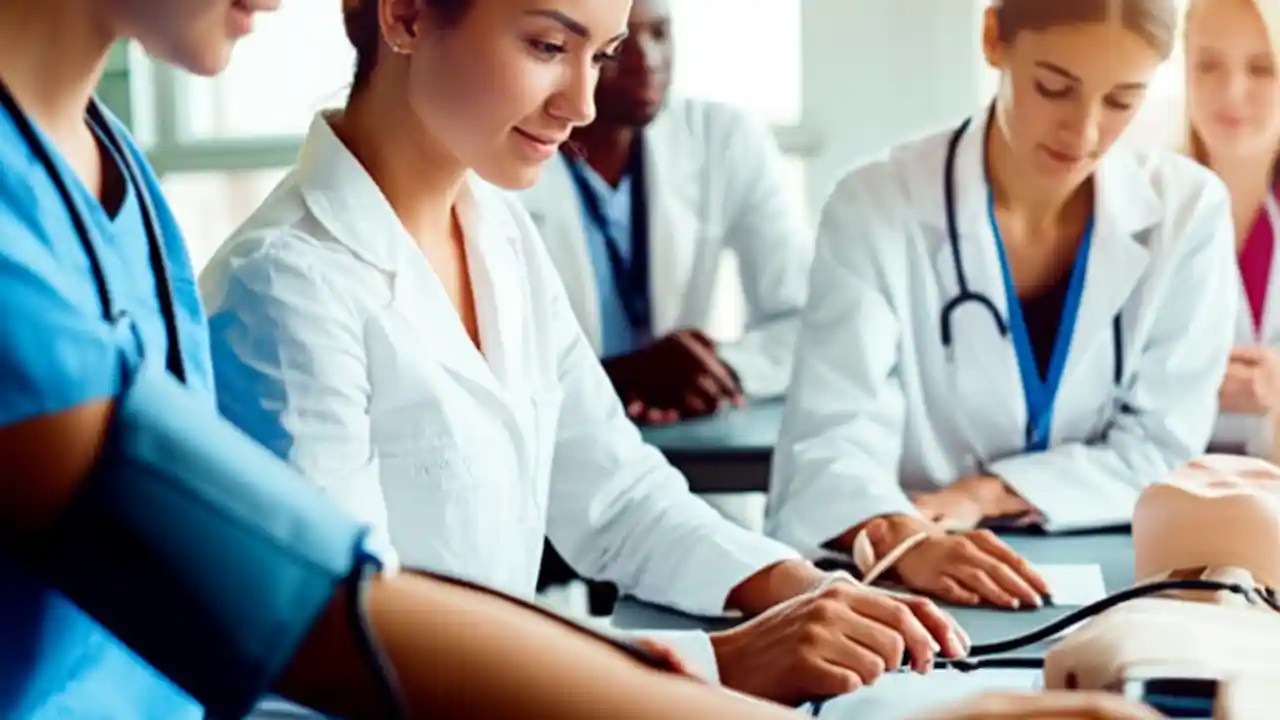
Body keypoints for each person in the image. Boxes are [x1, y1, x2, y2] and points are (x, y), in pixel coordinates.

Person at [200, 0, 966, 706]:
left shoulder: (500, 234)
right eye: (546, 45)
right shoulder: (282, 287)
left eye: (598, 55)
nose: (584, 104)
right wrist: (715, 665)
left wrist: (799, 588)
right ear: (404, 14)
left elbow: (617, 497)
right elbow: (360, 637)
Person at [766, 0, 1236, 610]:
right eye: (1054, 88)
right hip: (910, 587)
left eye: (1122, 100)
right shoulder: (877, 206)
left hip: (1112, 579)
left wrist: (985, 495)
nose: (1085, 131)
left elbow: (1162, 447)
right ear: (994, 38)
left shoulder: (1187, 210)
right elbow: (828, 445)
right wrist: (905, 541)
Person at [517, 0, 812, 423]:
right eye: (616, 45)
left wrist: (713, 372)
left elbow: (805, 317)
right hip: (555, 448)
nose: (647, 61)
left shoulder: (723, 137)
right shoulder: (500, 153)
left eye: (659, 34)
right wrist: (613, 380)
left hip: (685, 437)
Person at [1185, 0, 1280, 459]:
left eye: (1262, 68)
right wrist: (1184, 381)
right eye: (1208, 65)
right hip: (1154, 498)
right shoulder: (1133, 215)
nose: (1232, 91)